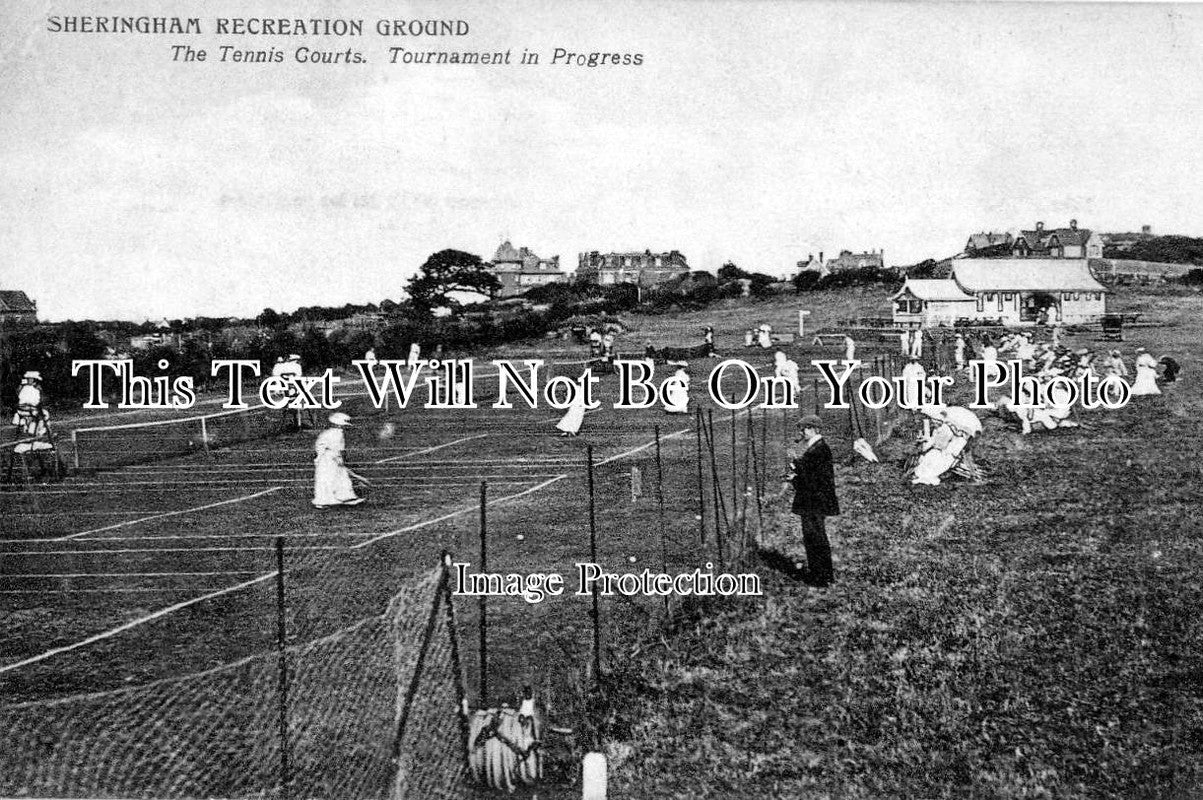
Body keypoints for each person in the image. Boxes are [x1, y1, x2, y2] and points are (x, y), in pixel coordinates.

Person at [786, 415, 839, 587]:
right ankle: (822, 575)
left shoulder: (818, 449)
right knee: (815, 536)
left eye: (804, 429)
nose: (802, 432)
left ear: (813, 429)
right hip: (816, 500)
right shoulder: (818, 447)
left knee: (814, 537)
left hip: (814, 501)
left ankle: (821, 577)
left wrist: (795, 464)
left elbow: (810, 477)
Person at [312, 412, 366, 508]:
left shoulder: (327, 432)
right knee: (329, 478)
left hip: (327, 457)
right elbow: (336, 448)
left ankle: (345, 497)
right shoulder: (337, 434)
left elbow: (319, 446)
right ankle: (323, 501)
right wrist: (337, 458)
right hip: (329, 458)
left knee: (340, 477)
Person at [555, 371, 590, 437]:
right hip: (576, 406)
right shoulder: (575, 389)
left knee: (575, 418)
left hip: (578, 406)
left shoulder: (576, 388)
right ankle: (569, 431)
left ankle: (571, 431)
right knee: (571, 418)